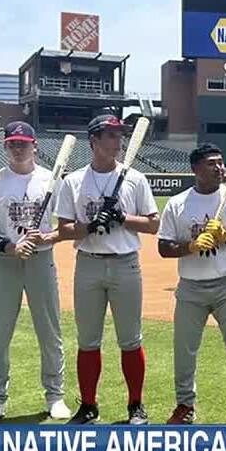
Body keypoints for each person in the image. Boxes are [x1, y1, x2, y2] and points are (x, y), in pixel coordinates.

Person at [55, 114, 160, 425]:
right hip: (88, 264)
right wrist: (88, 226)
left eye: (119, 135)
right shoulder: (74, 181)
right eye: (111, 135)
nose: (118, 141)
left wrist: (121, 217)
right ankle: (88, 405)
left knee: (130, 339)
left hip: (126, 264)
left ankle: (136, 406)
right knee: (88, 340)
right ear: (94, 141)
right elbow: (63, 228)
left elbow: (153, 224)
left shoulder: (135, 179)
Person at [157, 143, 226, 425]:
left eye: (221, 162)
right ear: (195, 169)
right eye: (212, 163)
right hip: (190, 287)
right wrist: (190, 245)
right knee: (185, 350)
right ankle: (184, 405)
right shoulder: (178, 203)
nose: (219, 168)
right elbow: (164, 246)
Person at [0, 121, 69, 423]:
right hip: (4, 263)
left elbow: (69, 224)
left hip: (41, 261)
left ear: (34, 146)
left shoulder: (51, 180)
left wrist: (50, 236)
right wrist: (9, 247)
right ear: (5, 146)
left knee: (50, 331)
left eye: (23, 142)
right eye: (12, 143)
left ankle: (55, 395)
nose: (17, 148)